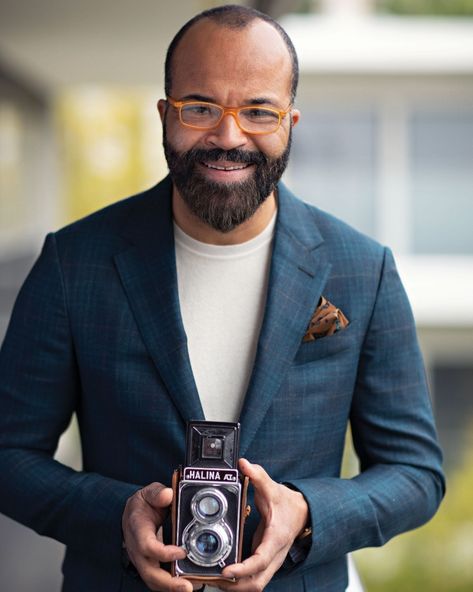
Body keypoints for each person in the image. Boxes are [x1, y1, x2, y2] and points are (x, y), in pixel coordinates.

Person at [0, 5, 445, 592]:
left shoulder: (365, 269)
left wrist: (308, 513)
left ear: (290, 121)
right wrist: (118, 515)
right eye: (201, 107)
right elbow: (9, 455)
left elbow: (415, 474)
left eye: (259, 111)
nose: (229, 135)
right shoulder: (72, 262)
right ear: (165, 114)